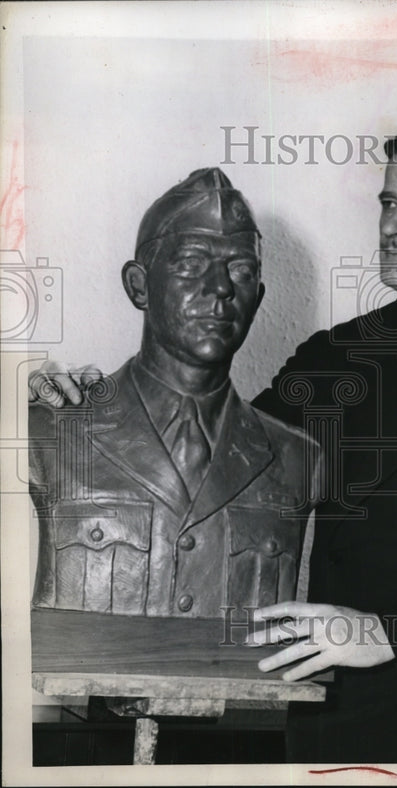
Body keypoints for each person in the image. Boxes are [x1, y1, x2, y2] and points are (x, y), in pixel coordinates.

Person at [30, 120, 397, 762]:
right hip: (332, 725)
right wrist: (83, 406)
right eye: (388, 201)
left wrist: (393, 633)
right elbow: (218, 462)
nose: (392, 226)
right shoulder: (332, 358)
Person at [28, 168, 319, 619]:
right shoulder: (49, 429)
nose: (221, 288)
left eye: (241, 270)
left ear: (257, 297)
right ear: (139, 286)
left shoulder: (299, 459)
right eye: (191, 263)